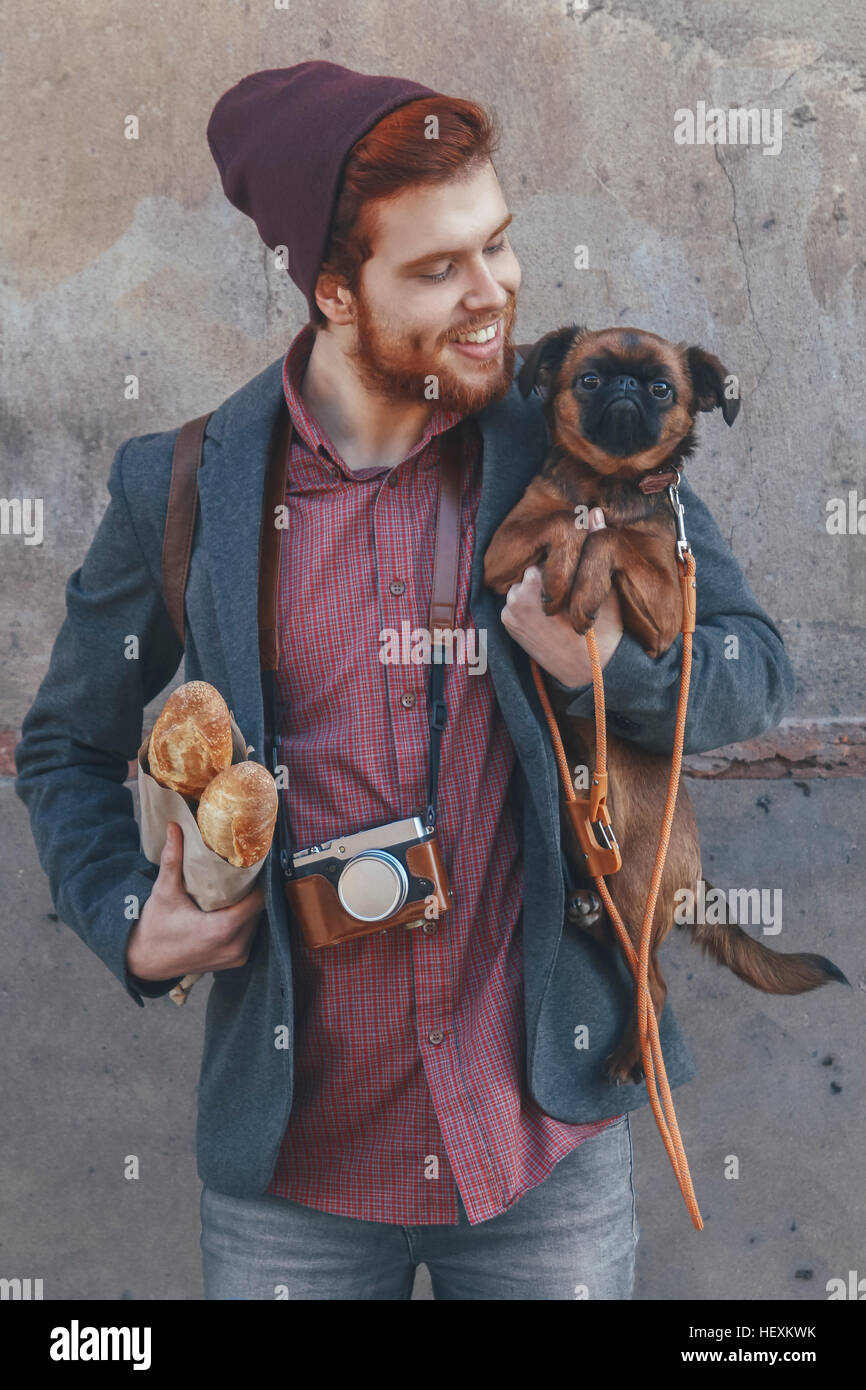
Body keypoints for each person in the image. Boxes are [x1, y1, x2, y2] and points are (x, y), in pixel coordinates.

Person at [14, 62, 795, 1300]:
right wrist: (130, 922)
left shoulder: (577, 437)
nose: (493, 296)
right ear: (332, 291)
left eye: (497, 246)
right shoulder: (180, 488)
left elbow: (754, 676)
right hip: (294, 1184)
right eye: (438, 271)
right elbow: (61, 747)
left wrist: (605, 676)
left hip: (543, 1151)